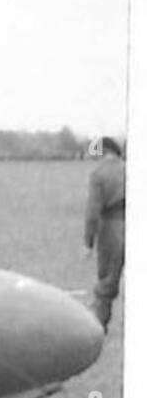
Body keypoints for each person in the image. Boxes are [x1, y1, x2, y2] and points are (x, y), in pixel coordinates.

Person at [84, 136, 126, 332]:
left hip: (112, 227)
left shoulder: (99, 174)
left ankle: (99, 323)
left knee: (107, 279)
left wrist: (88, 242)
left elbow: (92, 212)